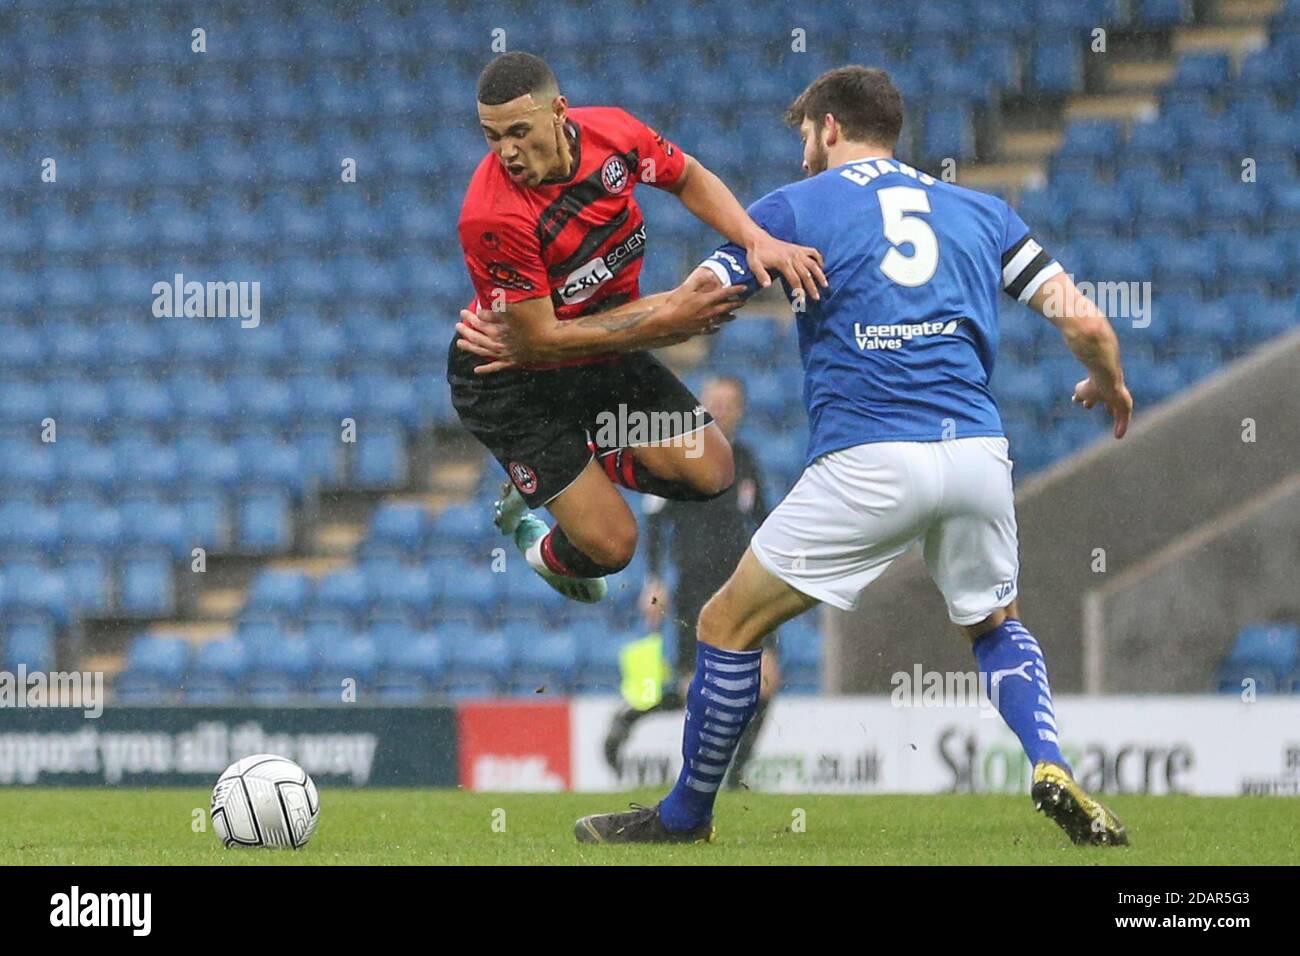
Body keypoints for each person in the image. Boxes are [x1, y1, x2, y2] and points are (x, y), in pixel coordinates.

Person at [461, 66, 1135, 846]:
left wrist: (609, 326)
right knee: (992, 625)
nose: (803, 153)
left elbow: (697, 301)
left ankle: (684, 817)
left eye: (805, 137)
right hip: (978, 456)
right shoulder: (983, 211)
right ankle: (1049, 760)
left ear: (831, 128)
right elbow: (1087, 322)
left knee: (725, 624)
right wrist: (1108, 385)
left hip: (871, 458)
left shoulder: (793, 210)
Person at [449, 51, 826, 605]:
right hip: (514, 380)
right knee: (613, 546)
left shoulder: (614, 136)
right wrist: (664, 320)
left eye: (520, 131)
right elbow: (539, 340)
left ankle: (574, 476)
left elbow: (687, 176)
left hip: (597, 354)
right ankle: (537, 536)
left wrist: (753, 236)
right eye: (492, 136)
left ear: (559, 111)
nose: (507, 150)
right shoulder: (491, 213)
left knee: (713, 470)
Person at [603, 376, 780, 789]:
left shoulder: (747, 459)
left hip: (743, 582)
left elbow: (764, 521)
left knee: (766, 680)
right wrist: (653, 579)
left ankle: (736, 777)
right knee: (694, 689)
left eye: (729, 404)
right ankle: (634, 716)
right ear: (699, 406)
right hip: (695, 585)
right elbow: (654, 520)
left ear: (740, 411)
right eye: (713, 402)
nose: (720, 410)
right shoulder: (679, 455)